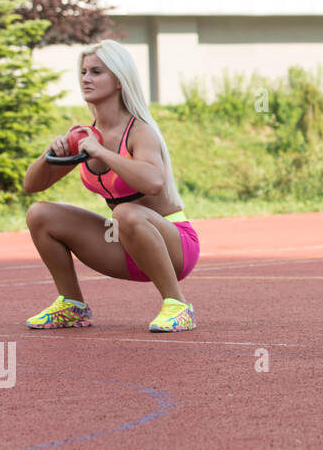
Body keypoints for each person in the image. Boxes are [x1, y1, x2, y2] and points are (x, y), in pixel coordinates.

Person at [22, 40, 200, 332]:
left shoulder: (140, 131)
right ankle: (72, 306)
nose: (86, 79)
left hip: (174, 246)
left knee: (126, 212)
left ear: (118, 80)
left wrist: (103, 152)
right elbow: (31, 185)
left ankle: (178, 306)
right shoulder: (84, 135)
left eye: (96, 72)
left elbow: (153, 182)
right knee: (39, 214)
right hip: (121, 242)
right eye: (83, 72)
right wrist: (49, 155)